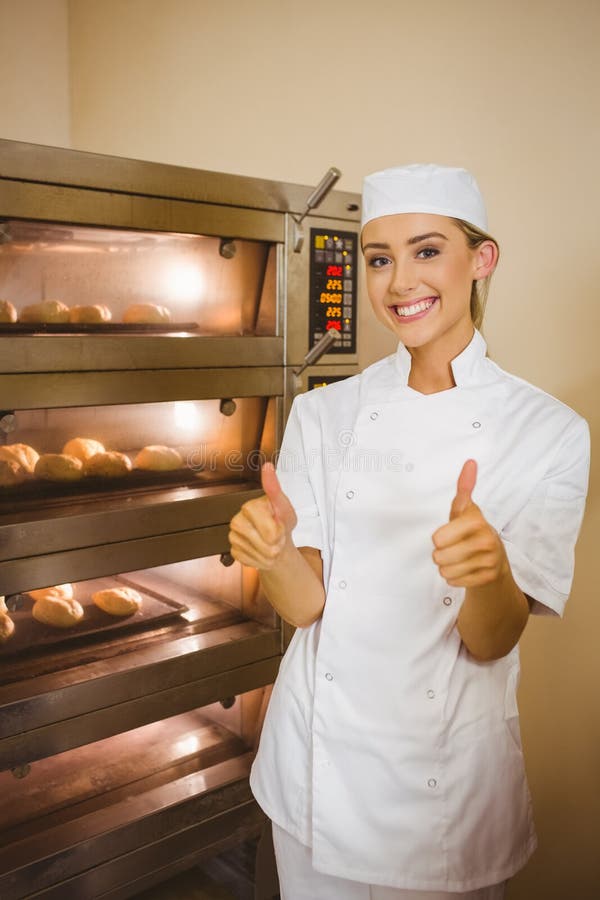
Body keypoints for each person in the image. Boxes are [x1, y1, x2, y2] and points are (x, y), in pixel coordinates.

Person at [228, 164, 590, 900]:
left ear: (480, 260)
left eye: (427, 251)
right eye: (380, 259)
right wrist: (269, 554)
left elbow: (491, 641)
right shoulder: (325, 414)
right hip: (316, 781)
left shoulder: (549, 432)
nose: (400, 283)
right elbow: (305, 605)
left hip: (443, 797)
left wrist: (487, 572)